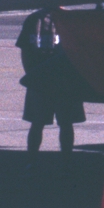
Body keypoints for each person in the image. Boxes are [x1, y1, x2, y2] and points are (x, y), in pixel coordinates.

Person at [17, 9, 86, 155]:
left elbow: (25, 50)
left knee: (40, 123)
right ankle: (65, 158)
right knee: (63, 123)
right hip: (63, 80)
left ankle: (33, 158)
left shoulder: (35, 19)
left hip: (46, 79)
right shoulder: (69, 19)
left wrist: (31, 75)